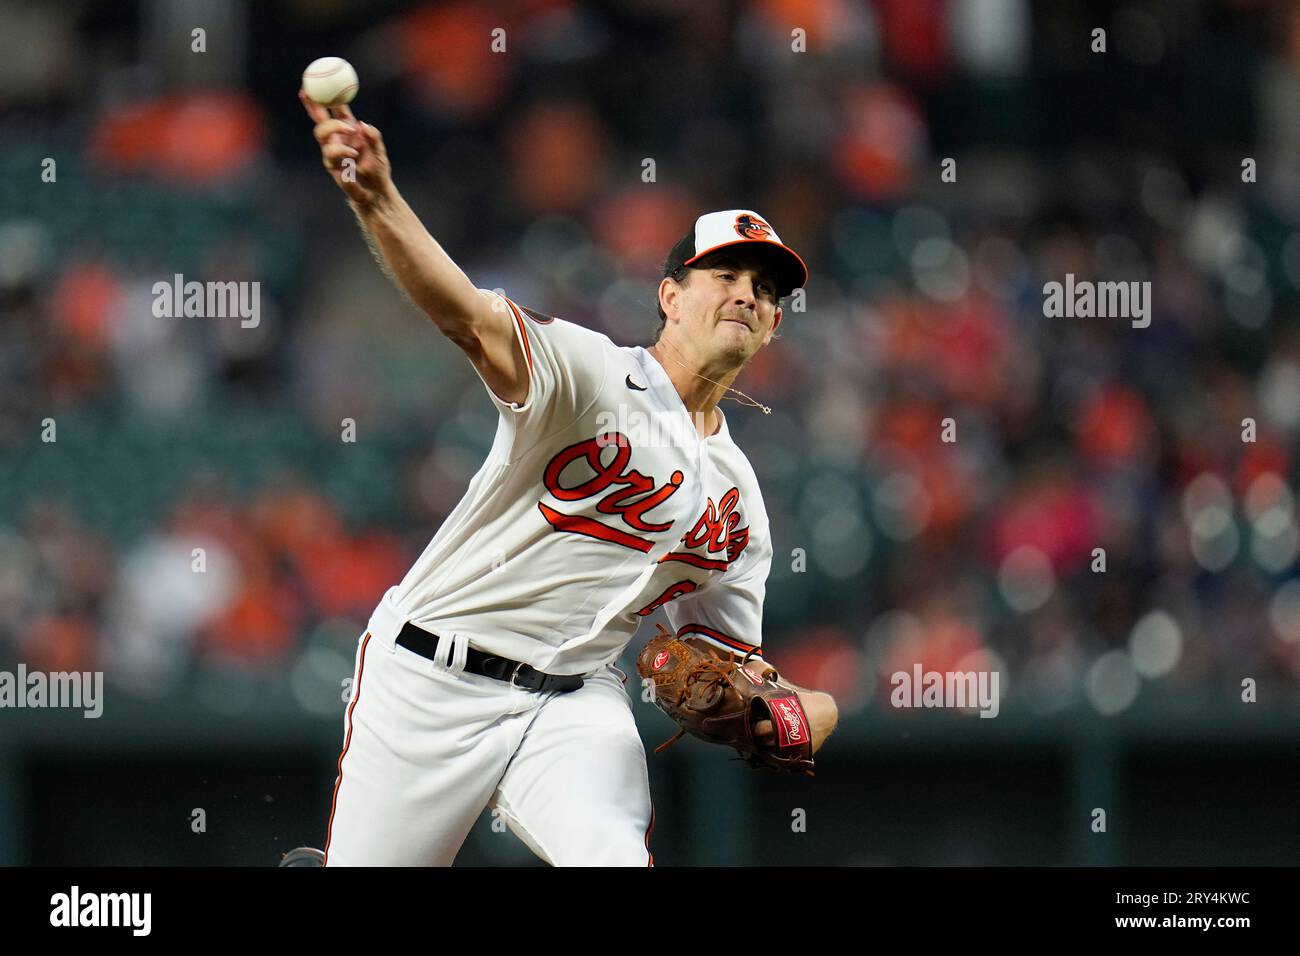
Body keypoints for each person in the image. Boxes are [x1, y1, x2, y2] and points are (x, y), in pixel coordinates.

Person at [299, 90, 838, 866]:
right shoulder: (591, 375)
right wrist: (380, 198)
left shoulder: (739, 502)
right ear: (671, 295)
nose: (748, 293)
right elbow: (466, 315)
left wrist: (782, 706)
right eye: (726, 272)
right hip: (430, 674)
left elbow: (725, 661)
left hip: (574, 702)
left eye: (767, 288)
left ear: (775, 325)